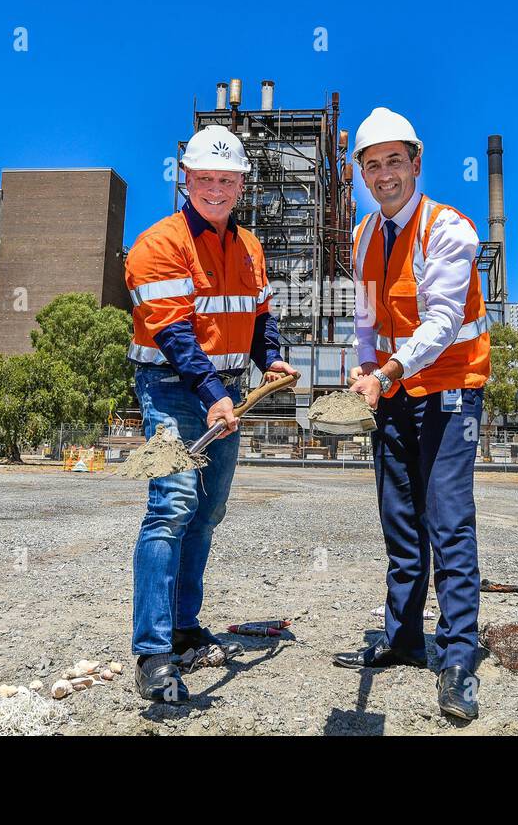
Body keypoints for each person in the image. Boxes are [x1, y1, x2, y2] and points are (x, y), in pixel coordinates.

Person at [124, 124, 298, 702]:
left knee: (208, 511)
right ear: (185, 180)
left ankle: (183, 626)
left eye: (227, 179)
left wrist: (270, 359)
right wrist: (211, 395)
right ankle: (152, 652)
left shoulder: (249, 248)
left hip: (222, 390)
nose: (217, 189)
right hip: (170, 389)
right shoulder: (159, 245)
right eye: (206, 179)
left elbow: (260, 315)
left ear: (242, 184)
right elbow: (173, 333)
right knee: (170, 505)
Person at [333, 108, 491, 721]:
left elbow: (444, 323)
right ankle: (402, 639)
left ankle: (456, 656)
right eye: (372, 165)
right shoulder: (364, 236)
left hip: (451, 391)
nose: (384, 174)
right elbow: (367, 319)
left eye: (394, 161)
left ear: (417, 163)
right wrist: (361, 368)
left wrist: (384, 373)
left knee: (447, 518)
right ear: (362, 177)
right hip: (395, 393)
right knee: (399, 516)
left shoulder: (447, 229)